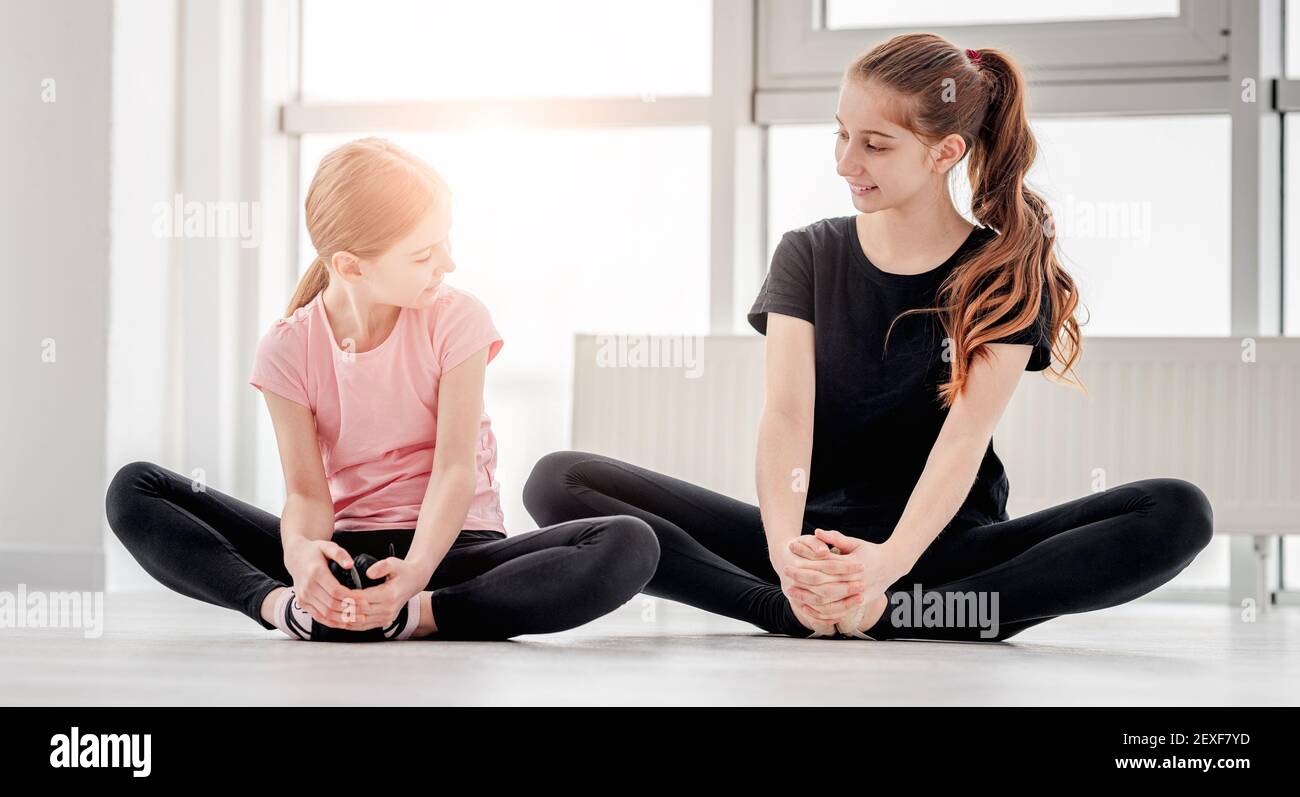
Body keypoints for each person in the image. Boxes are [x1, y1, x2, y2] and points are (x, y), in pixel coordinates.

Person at [522, 34, 1213, 642]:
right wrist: (787, 553)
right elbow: (787, 414)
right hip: (809, 538)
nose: (846, 162)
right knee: (560, 480)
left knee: (1177, 511)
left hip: (942, 551)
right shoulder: (808, 252)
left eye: (875, 144)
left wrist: (884, 568)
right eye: (841, 135)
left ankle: (888, 614)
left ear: (945, 152)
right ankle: (788, 607)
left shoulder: (1003, 271)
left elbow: (964, 438)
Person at [106, 137, 659, 642]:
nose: (447, 263)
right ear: (351, 266)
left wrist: (414, 575)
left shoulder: (457, 318)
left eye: (444, 241)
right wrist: (302, 558)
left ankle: (418, 615)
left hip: (453, 555)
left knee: (629, 542)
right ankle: (286, 609)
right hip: (347, 553)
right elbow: (307, 494)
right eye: (423, 255)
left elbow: (454, 469)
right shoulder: (286, 347)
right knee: (135, 488)